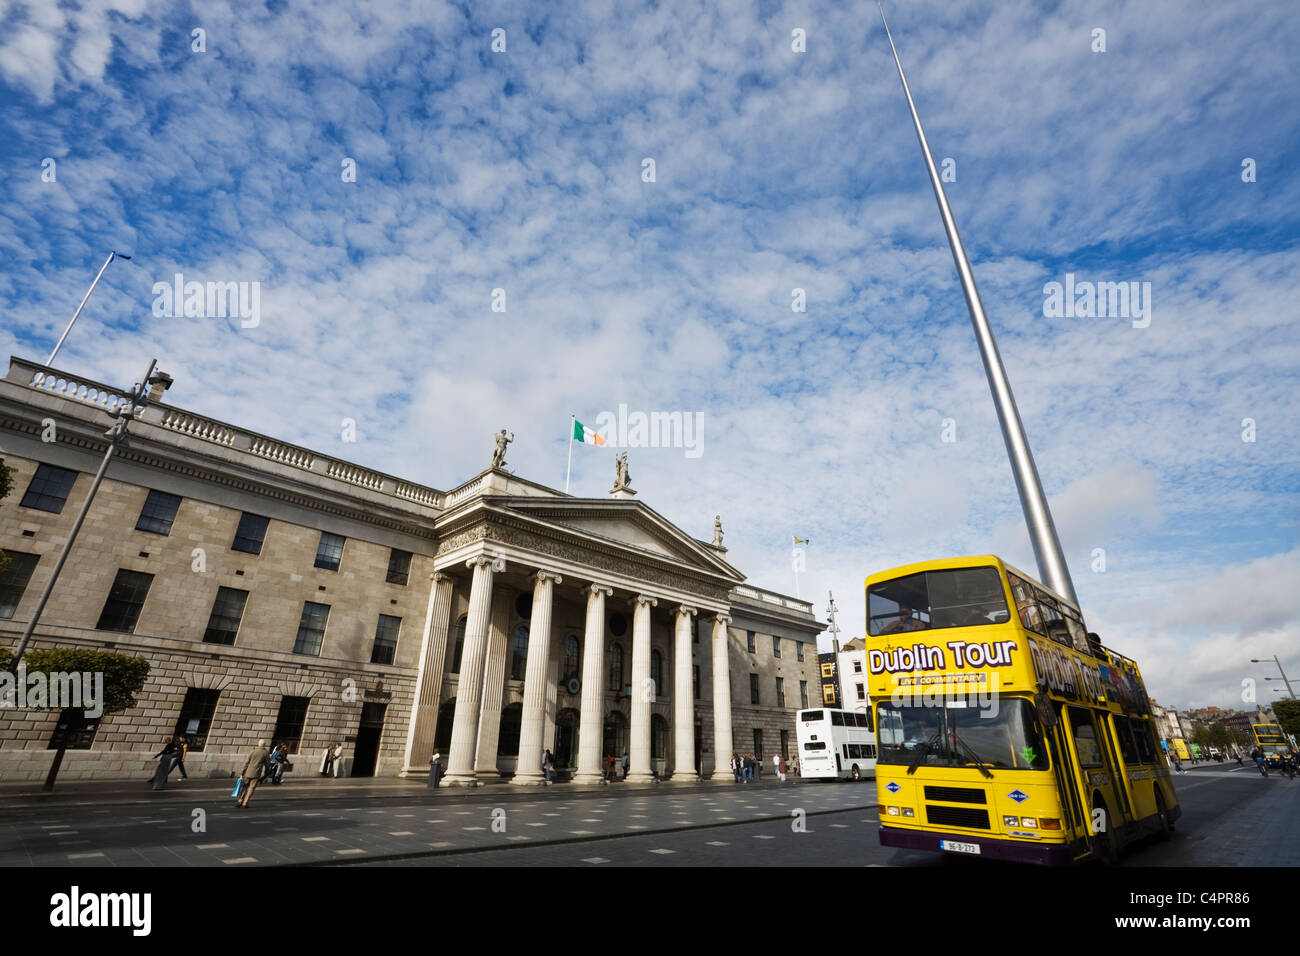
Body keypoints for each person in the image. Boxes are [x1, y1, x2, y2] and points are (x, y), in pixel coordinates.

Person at [236, 739, 270, 808]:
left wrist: (242, 772)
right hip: (256, 774)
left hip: (248, 772)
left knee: (245, 787)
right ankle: (245, 803)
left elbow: (246, 763)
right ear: (264, 745)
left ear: (258, 744)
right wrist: (266, 773)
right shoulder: (265, 753)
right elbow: (267, 764)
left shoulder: (253, 751)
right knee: (251, 788)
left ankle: (240, 801)